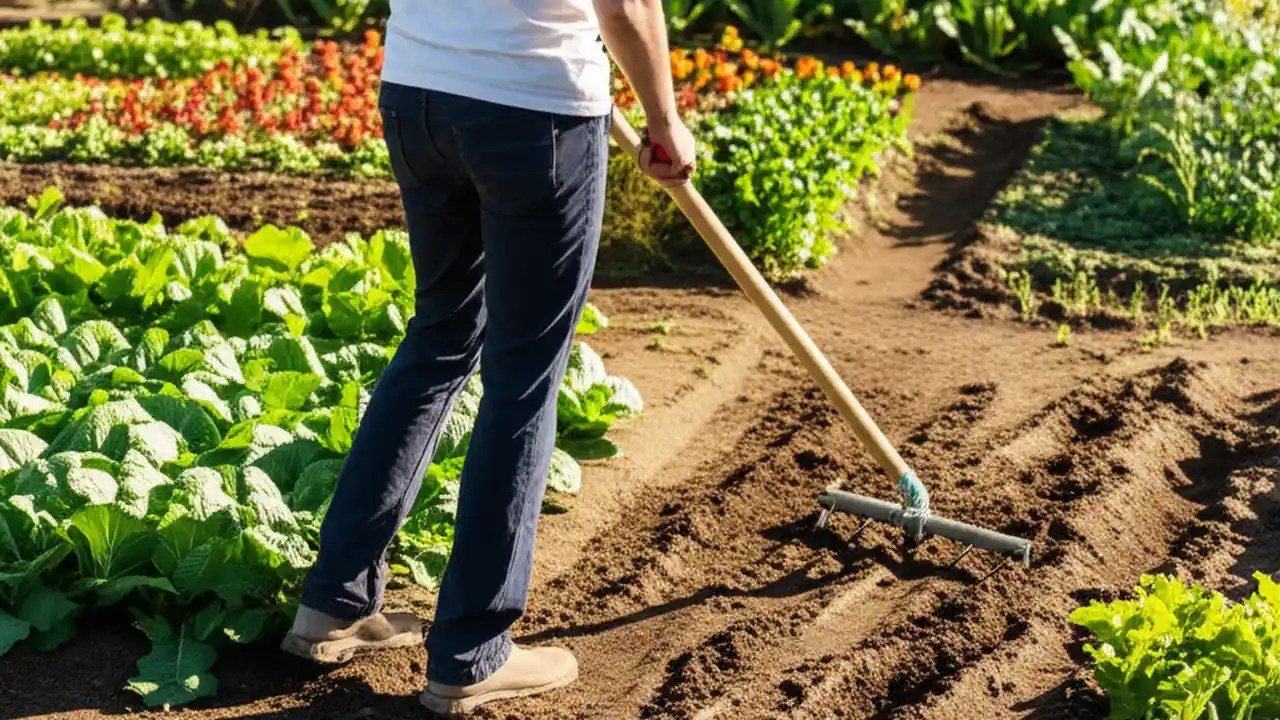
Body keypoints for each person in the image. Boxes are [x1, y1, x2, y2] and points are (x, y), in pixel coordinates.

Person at [279, 0, 696, 715]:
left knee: (439, 337)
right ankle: (473, 653)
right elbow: (627, 5)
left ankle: (333, 605)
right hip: (533, 112)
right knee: (523, 380)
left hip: (418, 95)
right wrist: (664, 118)